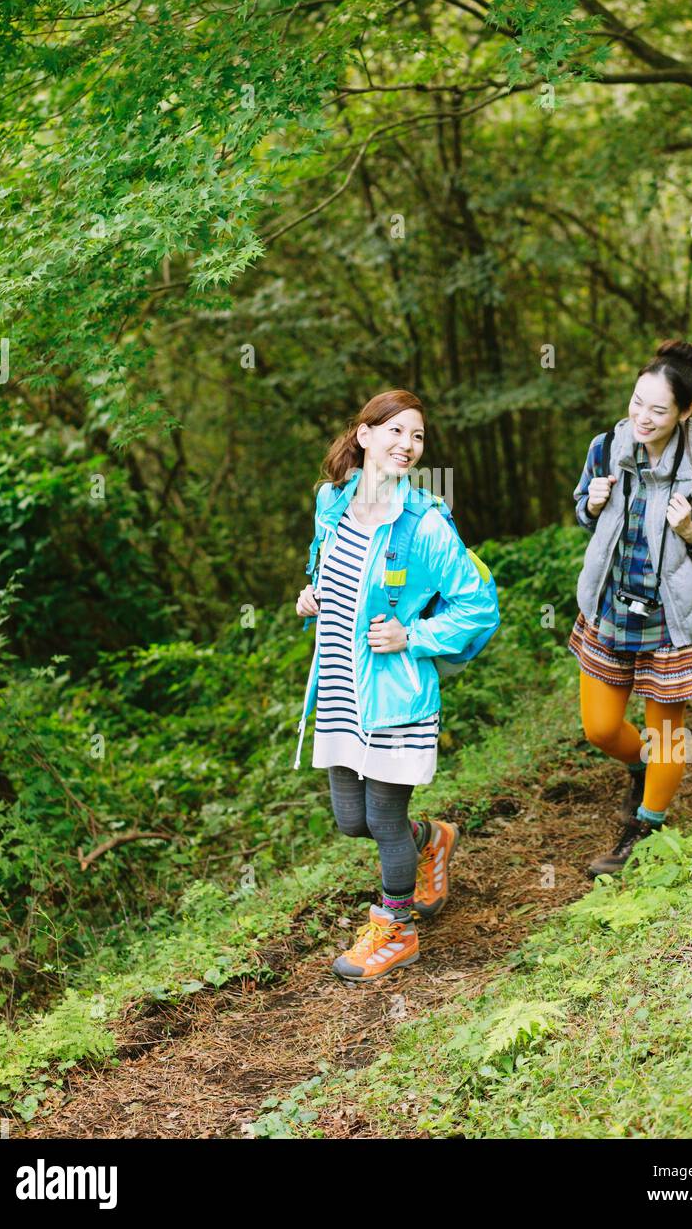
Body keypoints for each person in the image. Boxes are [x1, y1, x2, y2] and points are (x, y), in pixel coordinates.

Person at [293, 389, 499, 981]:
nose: (407, 445)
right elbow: (327, 572)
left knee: (382, 821)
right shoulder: (330, 504)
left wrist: (412, 635)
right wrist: (311, 595)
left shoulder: (427, 525)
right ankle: (431, 840)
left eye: (417, 436)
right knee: (349, 820)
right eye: (396, 432)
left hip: (396, 696)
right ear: (364, 435)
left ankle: (396, 929)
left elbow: (477, 606)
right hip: (336, 683)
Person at [570, 339, 692, 876]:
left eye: (658, 409)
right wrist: (591, 503)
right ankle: (648, 768)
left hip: (670, 616)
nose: (642, 416)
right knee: (599, 728)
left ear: (685, 413)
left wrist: (690, 529)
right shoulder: (607, 447)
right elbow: (584, 512)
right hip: (610, 605)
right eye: (637, 401)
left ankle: (643, 830)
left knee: (667, 732)